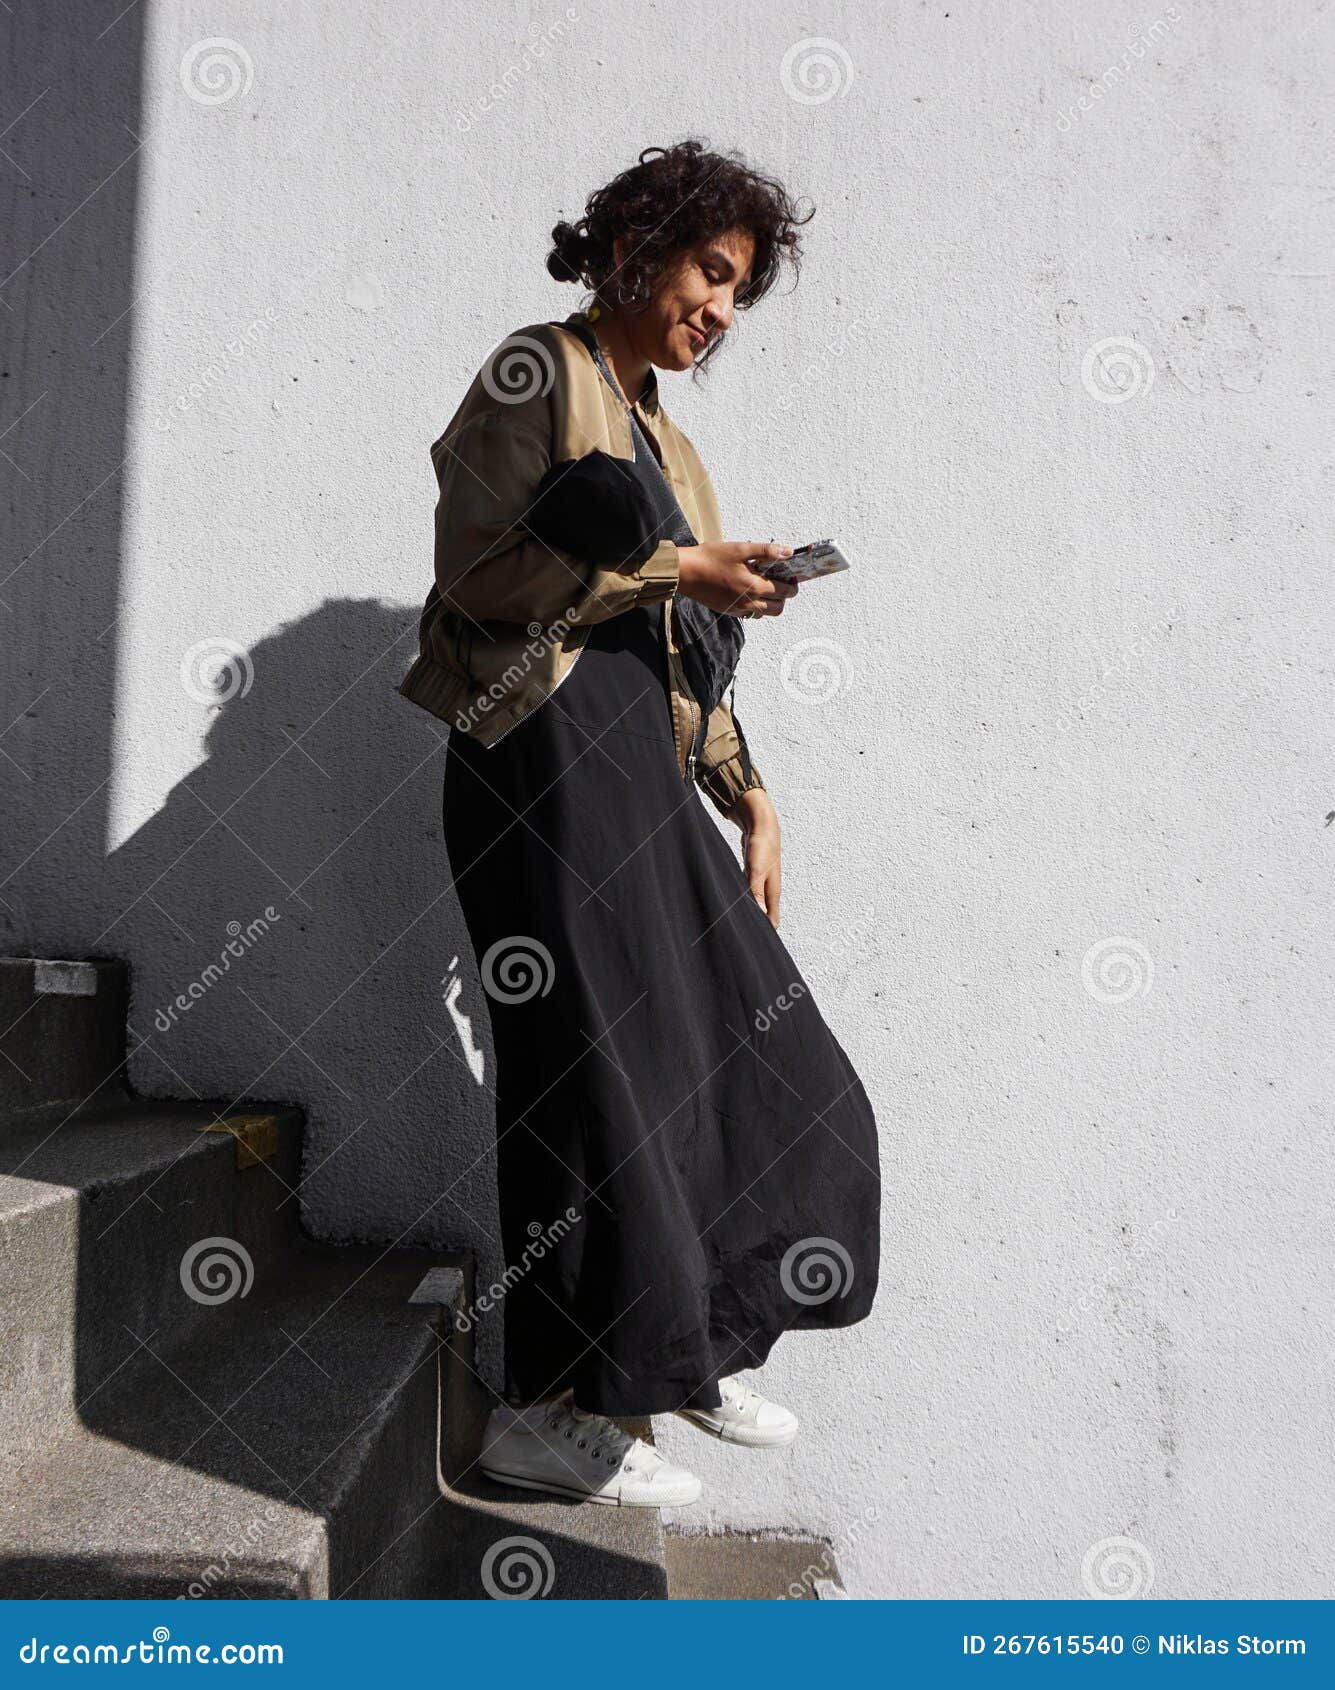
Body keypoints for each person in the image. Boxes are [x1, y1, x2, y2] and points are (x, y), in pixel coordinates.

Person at [397, 140, 881, 1508]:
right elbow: (477, 567)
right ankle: (553, 1410)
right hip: (534, 757)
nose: (722, 306)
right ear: (636, 246)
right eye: (709, 270)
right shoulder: (535, 373)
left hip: (635, 772)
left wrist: (752, 791)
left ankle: (688, 1341)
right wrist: (675, 562)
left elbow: (678, 646)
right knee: (584, 1075)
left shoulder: (666, 433)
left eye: (740, 290)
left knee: (733, 1057)